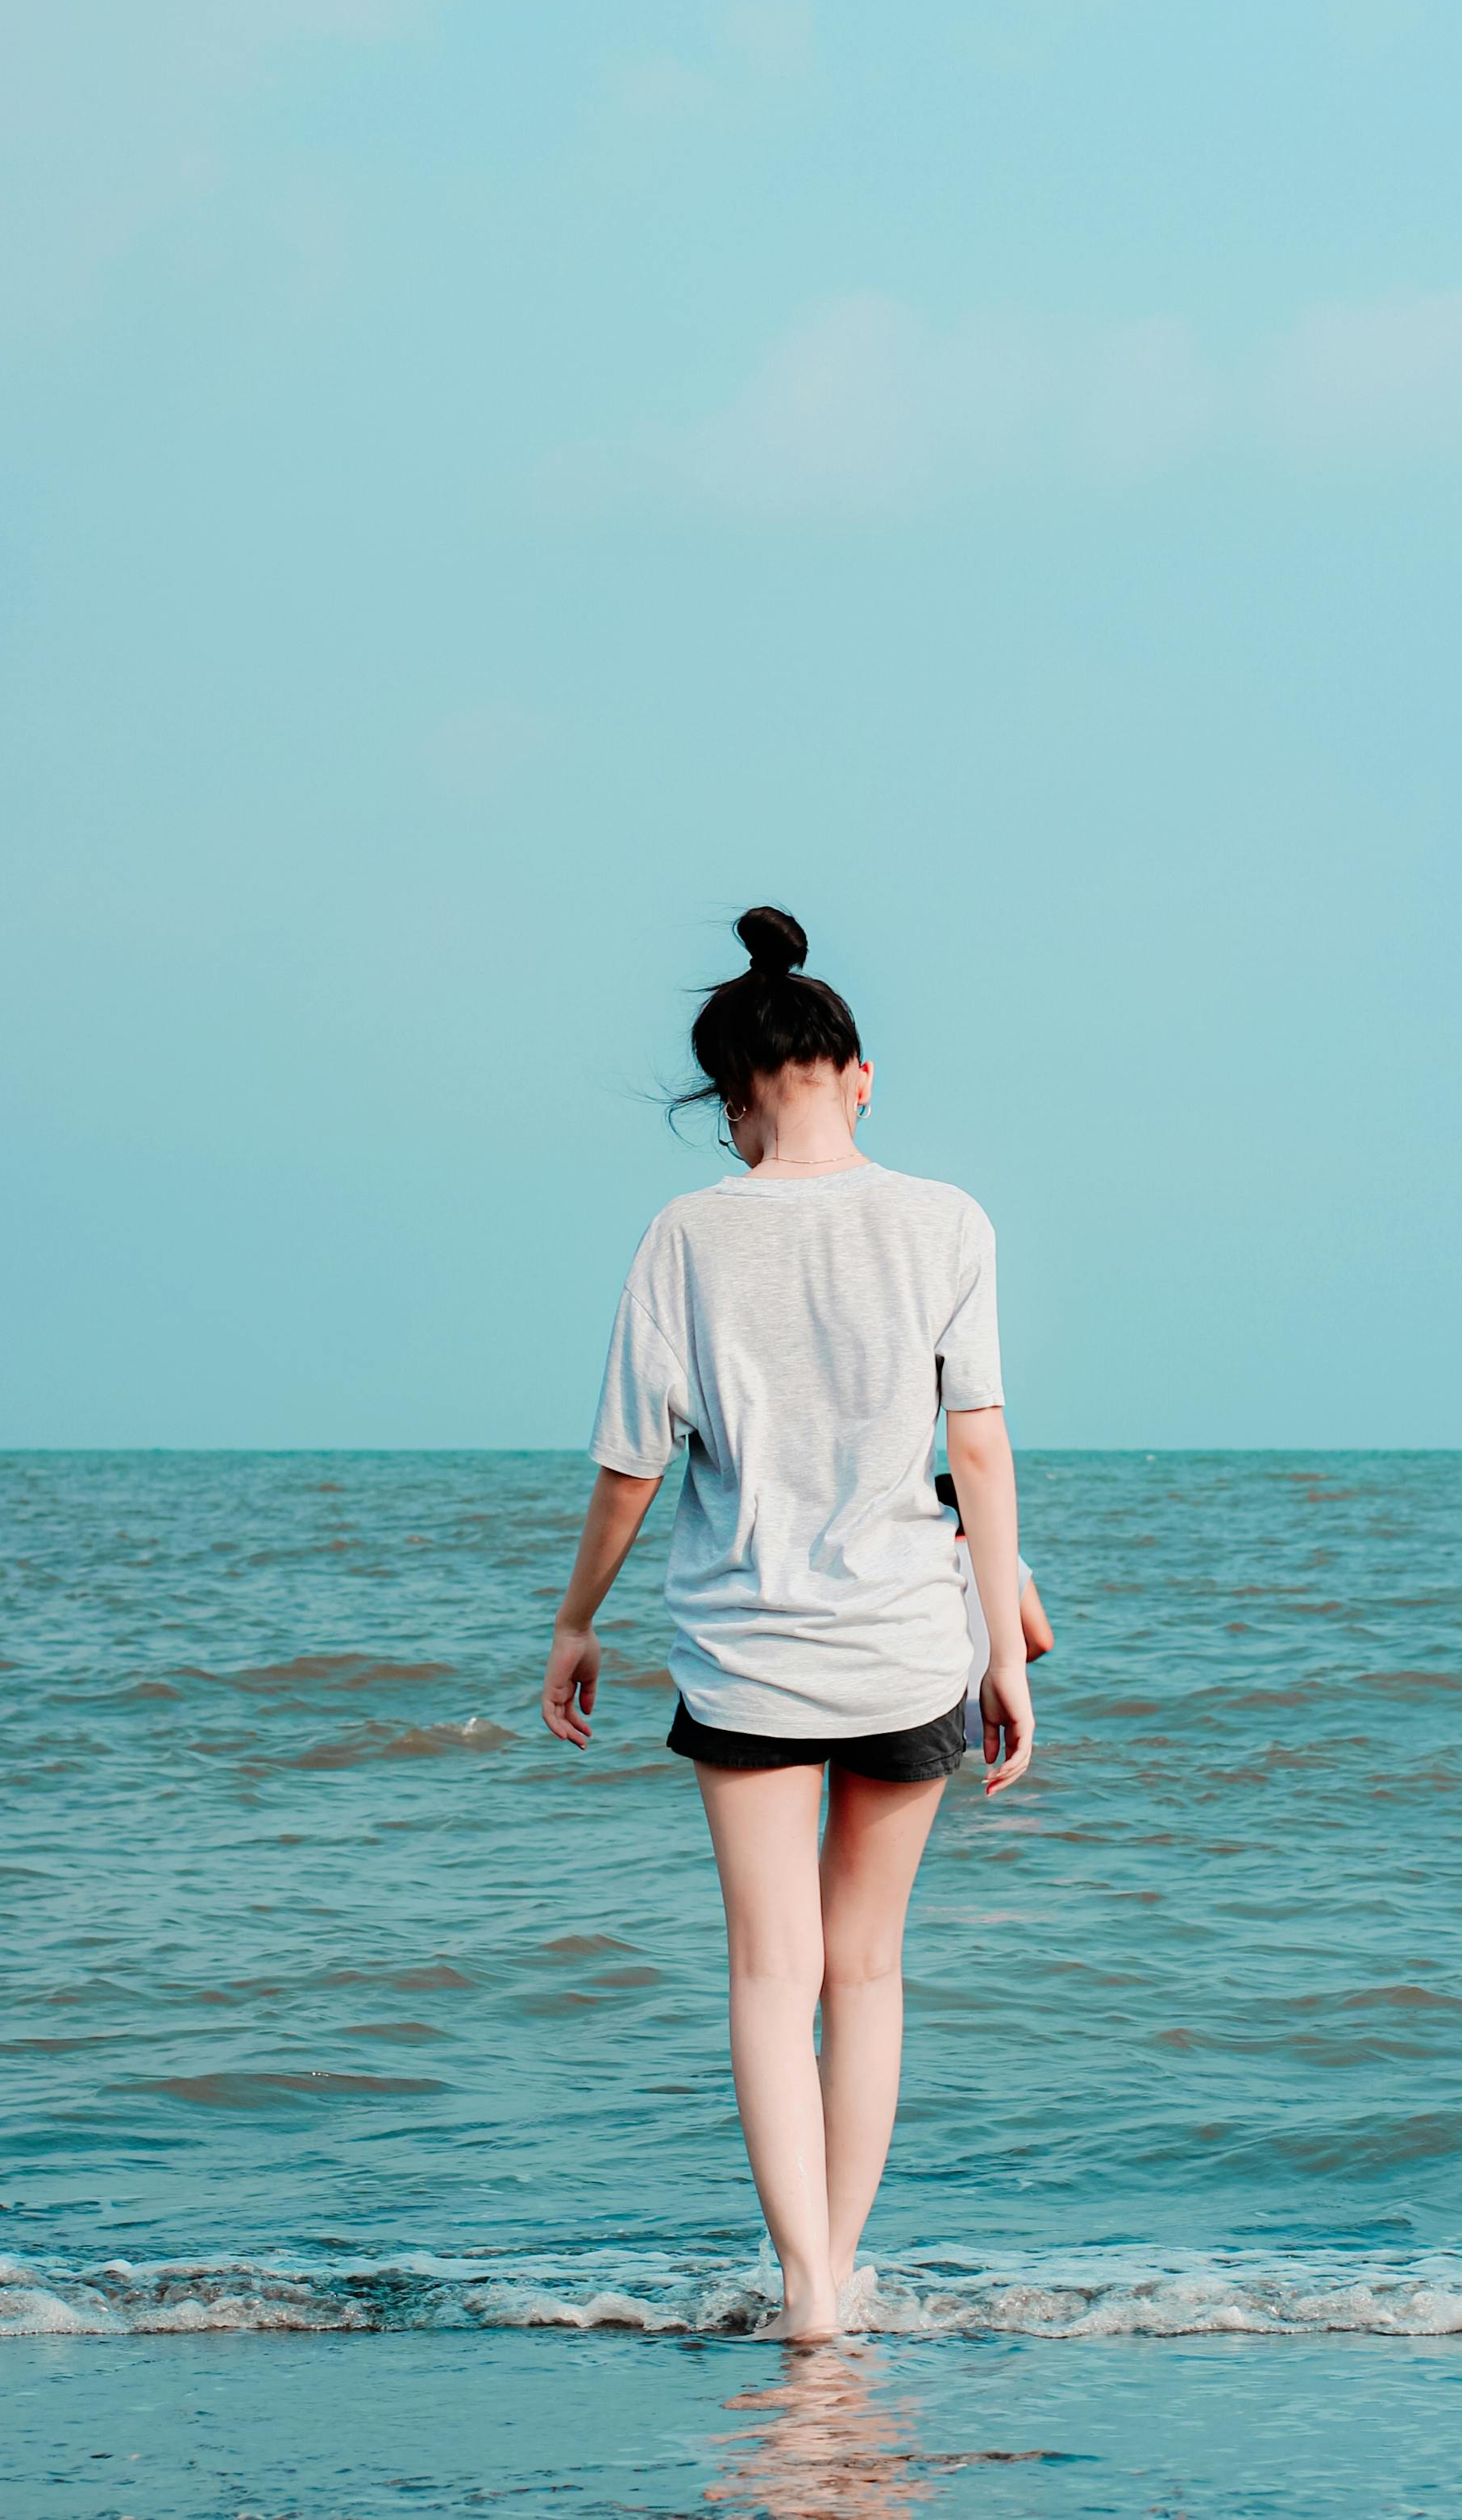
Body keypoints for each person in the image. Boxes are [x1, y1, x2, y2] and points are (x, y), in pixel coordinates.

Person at [539, 906, 1035, 2342]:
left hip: (746, 1646)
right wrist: (1002, 1643)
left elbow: (633, 1463)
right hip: (904, 1642)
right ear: (856, 1073)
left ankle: (804, 2290)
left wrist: (575, 1621)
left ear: (726, 1101)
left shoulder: (686, 1235)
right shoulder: (945, 1217)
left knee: (769, 1971)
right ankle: (846, 2270)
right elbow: (981, 1448)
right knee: (865, 1966)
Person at [934, 1470, 1054, 1746]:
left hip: (933, 1699)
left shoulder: (922, 1563)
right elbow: (1042, 1641)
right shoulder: (1005, 1562)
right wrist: (1001, 1665)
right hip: (995, 1696)